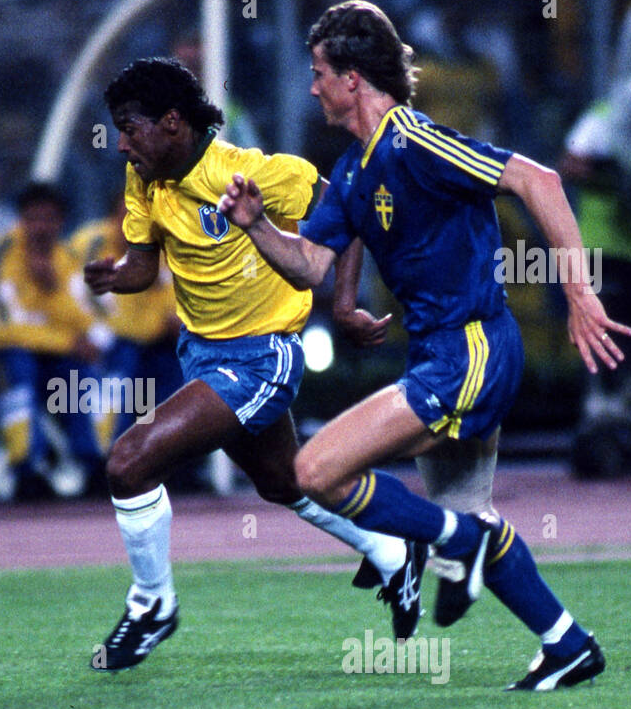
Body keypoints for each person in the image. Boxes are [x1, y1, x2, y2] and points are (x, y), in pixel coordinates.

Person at [217, 0, 631, 690]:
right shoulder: (352, 171)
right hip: (439, 355)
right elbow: (314, 269)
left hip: (471, 349)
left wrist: (580, 292)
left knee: (314, 470)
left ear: (353, 78)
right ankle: (567, 643)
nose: (313, 85)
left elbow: (541, 179)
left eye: (320, 71)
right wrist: (257, 226)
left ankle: (451, 546)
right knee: (472, 520)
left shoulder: (416, 140)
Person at [83, 57, 419, 673]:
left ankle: (152, 604)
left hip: (263, 357)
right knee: (285, 482)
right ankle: (394, 548)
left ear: (173, 122)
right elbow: (142, 266)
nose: (122, 143)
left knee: (128, 463)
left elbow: (349, 209)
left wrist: (343, 305)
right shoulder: (146, 179)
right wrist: (114, 278)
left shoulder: (253, 174)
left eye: (130, 128)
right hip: (203, 355)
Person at [0, 182, 112, 499]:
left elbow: (92, 323)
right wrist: (66, 342)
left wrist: (52, 288)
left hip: (46, 359)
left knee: (79, 369)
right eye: (33, 219)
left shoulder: (67, 259)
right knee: (18, 363)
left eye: (50, 219)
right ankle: (27, 467)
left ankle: (91, 462)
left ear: (61, 222)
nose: (41, 228)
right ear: (20, 220)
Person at [68, 193, 182, 447]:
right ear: (112, 219)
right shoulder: (90, 244)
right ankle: (105, 453)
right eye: (125, 217)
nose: (133, 226)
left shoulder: (160, 248)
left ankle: (169, 454)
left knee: (180, 359)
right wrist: (151, 326)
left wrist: (169, 323)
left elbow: (170, 300)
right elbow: (86, 302)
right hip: (99, 336)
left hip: (146, 337)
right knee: (121, 355)